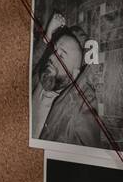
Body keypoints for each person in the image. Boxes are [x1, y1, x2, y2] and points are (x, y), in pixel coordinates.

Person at [31, 12, 101, 146]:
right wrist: (47, 37)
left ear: (74, 75)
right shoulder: (39, 77)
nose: (52, 57)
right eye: (54, 50)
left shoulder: (79, 107)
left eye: (61, 56)